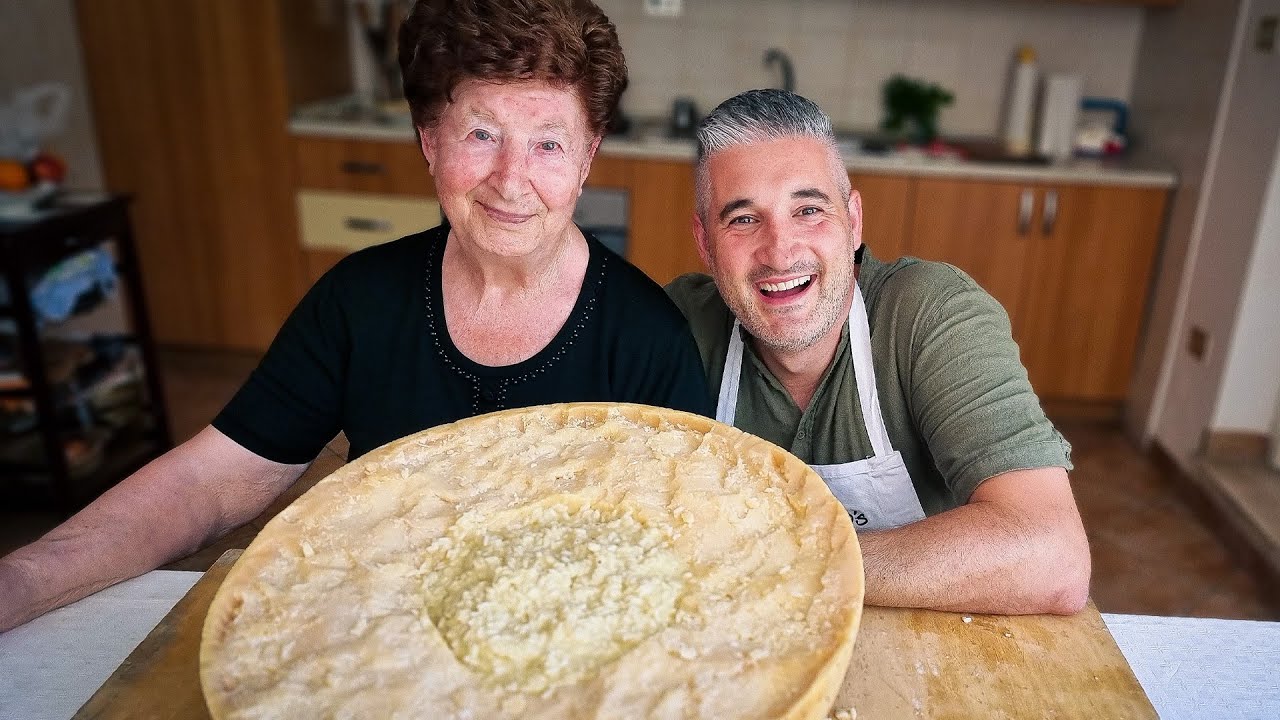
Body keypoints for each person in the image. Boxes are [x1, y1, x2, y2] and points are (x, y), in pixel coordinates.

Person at [0, 0, 709, 633]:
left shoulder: (649, 342)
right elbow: (211, 480)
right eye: (482, 134)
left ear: (587, 157)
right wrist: (22, 582)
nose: (511, 179)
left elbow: (668, 572)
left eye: (549, 143)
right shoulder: (361, 300)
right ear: (430, 140)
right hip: (379, 639)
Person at [667, 89, 1090, 616]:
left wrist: (794, 566)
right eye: (744, 219)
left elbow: (1053, 556)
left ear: (854, 221)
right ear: (705, 242)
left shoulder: (930, 316)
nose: (780, 250)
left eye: (808, 209)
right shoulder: (674, 326)